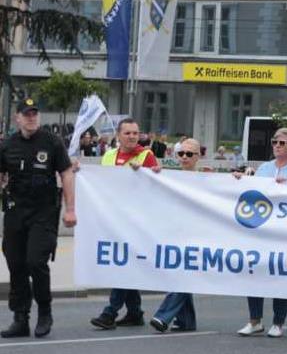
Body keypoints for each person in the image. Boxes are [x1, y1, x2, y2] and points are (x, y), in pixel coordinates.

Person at [0, 98, 76, 338]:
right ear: (17, 118)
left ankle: (45, 311)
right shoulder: (7, 145)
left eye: (35, 113)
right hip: (15, 211)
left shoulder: (52, 142)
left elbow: (66, 173)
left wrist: (70, 209)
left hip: (43, 211)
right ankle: (20, 318)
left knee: (35, 262)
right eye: (27, 114)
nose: (32, 117)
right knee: (16, 264)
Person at [235, 128, 287, 338]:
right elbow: (253, 193)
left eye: (282, 143)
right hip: (261, 230)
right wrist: (239, 180)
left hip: (285, 232)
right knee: (255, 272)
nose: (277, 146)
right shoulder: (264, 168)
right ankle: (255, 320)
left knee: (280, 275)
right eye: (275, 142)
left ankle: (278, 322)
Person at [90, 118, 160, 330]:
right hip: (114, 218)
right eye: (128, 133)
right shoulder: (109, 155)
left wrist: (150, 172)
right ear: (119, 136)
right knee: (125, 265)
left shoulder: (146, 155)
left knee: (124, 264)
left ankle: (110, 313)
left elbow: (155, 184)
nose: (132, 137)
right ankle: (134, 312)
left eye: (135, 133)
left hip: (137, 220)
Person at [150, 138, 204, 333]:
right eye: (181, 153)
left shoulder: (207, 180)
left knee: (183, 275)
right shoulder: (170, 178)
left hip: (198, 236)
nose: (184, 157)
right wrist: (151, 175)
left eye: (189, 154)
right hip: (176, 234)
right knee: (181, 275)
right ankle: (186, 321)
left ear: (199, 156)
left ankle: (163, 316)